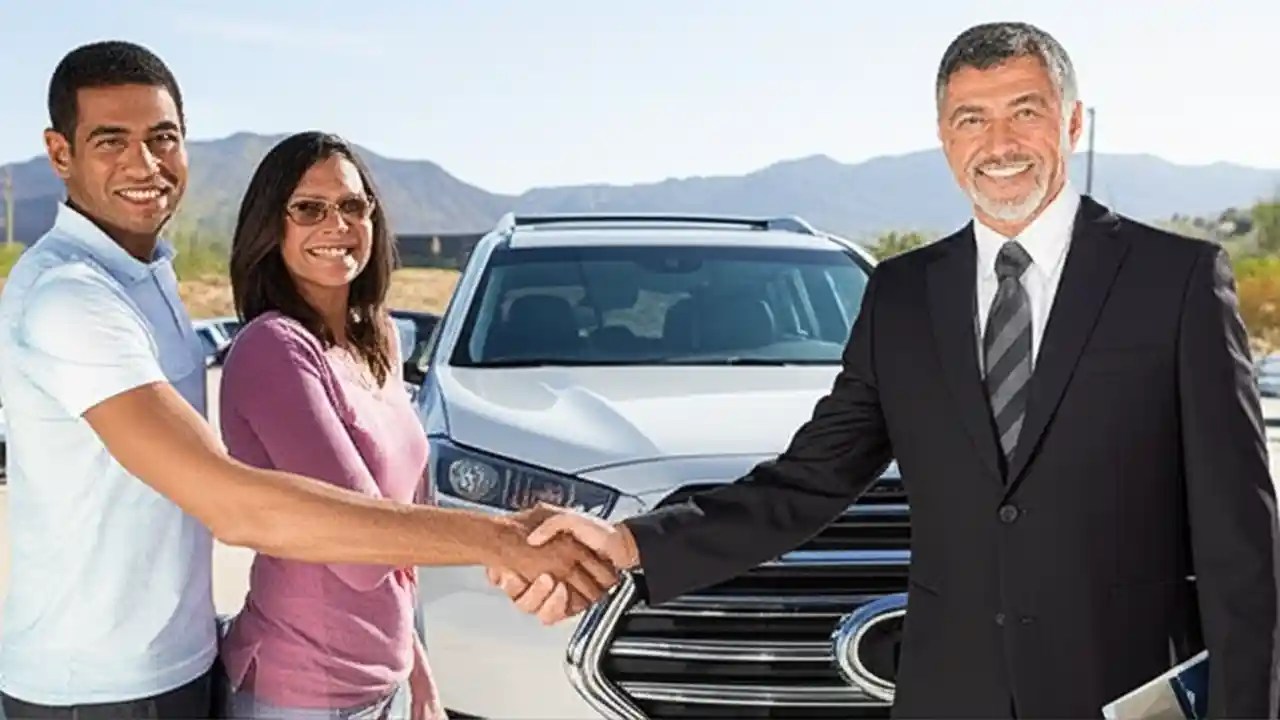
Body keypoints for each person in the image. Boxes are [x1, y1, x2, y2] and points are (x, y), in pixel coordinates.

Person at [492, 21, 1280, 719]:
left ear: (1071, 122)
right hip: (949, 692)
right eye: (972, 119)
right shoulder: (903, 294)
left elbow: (1238, 535)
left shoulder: (1174, 279)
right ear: (945, 138)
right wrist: (629, 542)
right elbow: (806, 483)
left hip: (1126, 689)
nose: (999, 143)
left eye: (1025, 112)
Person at [0, 40, 614, 719]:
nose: (144, 164)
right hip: (92, 690)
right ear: (60, 154)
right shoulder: (72, 299)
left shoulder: (147, 280)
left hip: (181, 663)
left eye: (163, 138)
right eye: (111, 141)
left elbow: (387, 532)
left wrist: (414, 664)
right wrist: (501, 538)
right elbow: (235, 505)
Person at [215, 131, 443, 719]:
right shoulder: (274, 349)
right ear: (271, 226)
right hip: (301, 693)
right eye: (308, 209)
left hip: (385, 683)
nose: (336, 224)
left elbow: (399, 549)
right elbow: (363, 549)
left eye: (352, 205)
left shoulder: (378, 339)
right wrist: (505, 544)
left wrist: (417, 670)